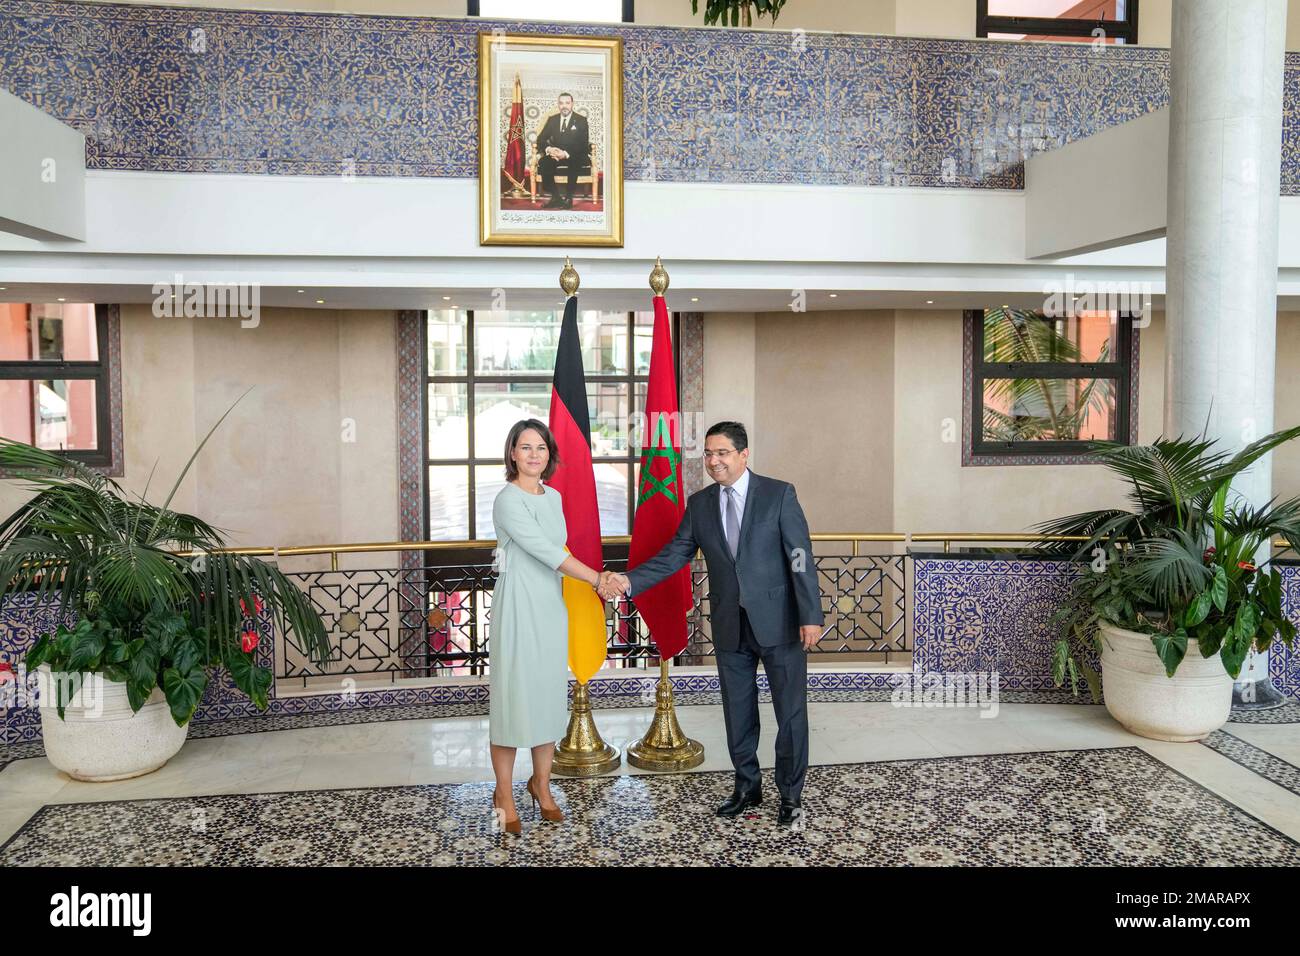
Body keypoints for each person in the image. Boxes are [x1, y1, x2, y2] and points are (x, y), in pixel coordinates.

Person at [599, 422, 823, 826]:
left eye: (722, 453)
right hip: (729, 623)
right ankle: (747, 786)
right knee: (738, 711)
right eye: (708, 453)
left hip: (781, 622)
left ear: (743, 454)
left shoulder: (778, 494)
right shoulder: (700, 503)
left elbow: (800, 556)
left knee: (790, 715)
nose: (714, 461)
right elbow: (675, 554)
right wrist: (629, 581)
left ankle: (791, 795)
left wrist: (810, 614)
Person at [489, 418, 605, 834]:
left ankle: (541, 784)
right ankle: (504, 793)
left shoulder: (553, 496)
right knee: (512, 699)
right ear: (512, 453)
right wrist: (597, 578)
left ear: (549, 454)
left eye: (541, 447)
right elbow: (544, 550)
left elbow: (558, 548)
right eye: (525, 447)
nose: (534, 454)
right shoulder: (507, 500)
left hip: (551, 605)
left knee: (546, 697)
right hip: (518, 604)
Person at [535, 92, 590, 209]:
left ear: (572, 104)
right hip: (556, 154)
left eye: (567, 103)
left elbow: (583, 144)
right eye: (561, 103)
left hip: (574, 154)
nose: (564, 106)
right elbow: (541, 139)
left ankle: (568, 198)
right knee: (544, 162)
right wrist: (550, 149)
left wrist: (565, 154)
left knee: (575, 162)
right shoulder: (553, 120)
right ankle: (556, 198)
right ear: (558, 105)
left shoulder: (581, 120)